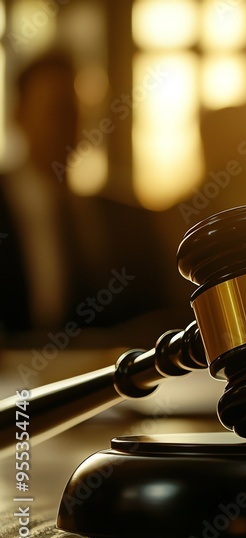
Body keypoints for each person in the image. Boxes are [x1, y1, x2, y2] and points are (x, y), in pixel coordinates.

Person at [0, 51, 173, 344]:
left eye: (75, 112)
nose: (68, 126)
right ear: (19, 116)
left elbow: (156, 317)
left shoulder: (126, 220)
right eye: (56, 111)